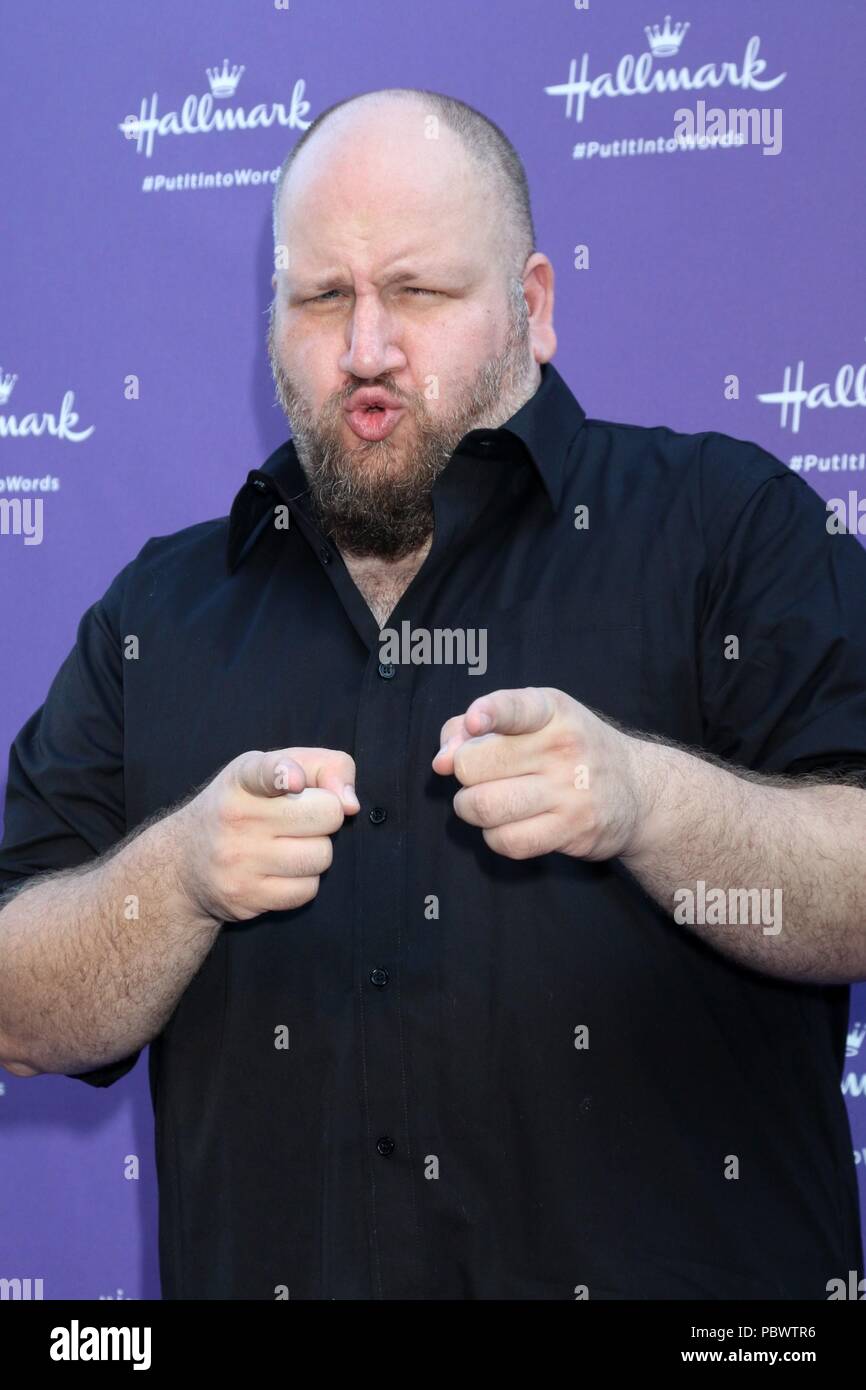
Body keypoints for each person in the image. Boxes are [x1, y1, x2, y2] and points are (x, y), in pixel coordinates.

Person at [1, 87, 865, 1301]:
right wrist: (173, 879)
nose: (364, 347)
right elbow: (15, 1003)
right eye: (320, 299)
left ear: (534, 305)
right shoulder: (160, 612)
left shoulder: (725, 531)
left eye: (415, 292)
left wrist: (645, 801)